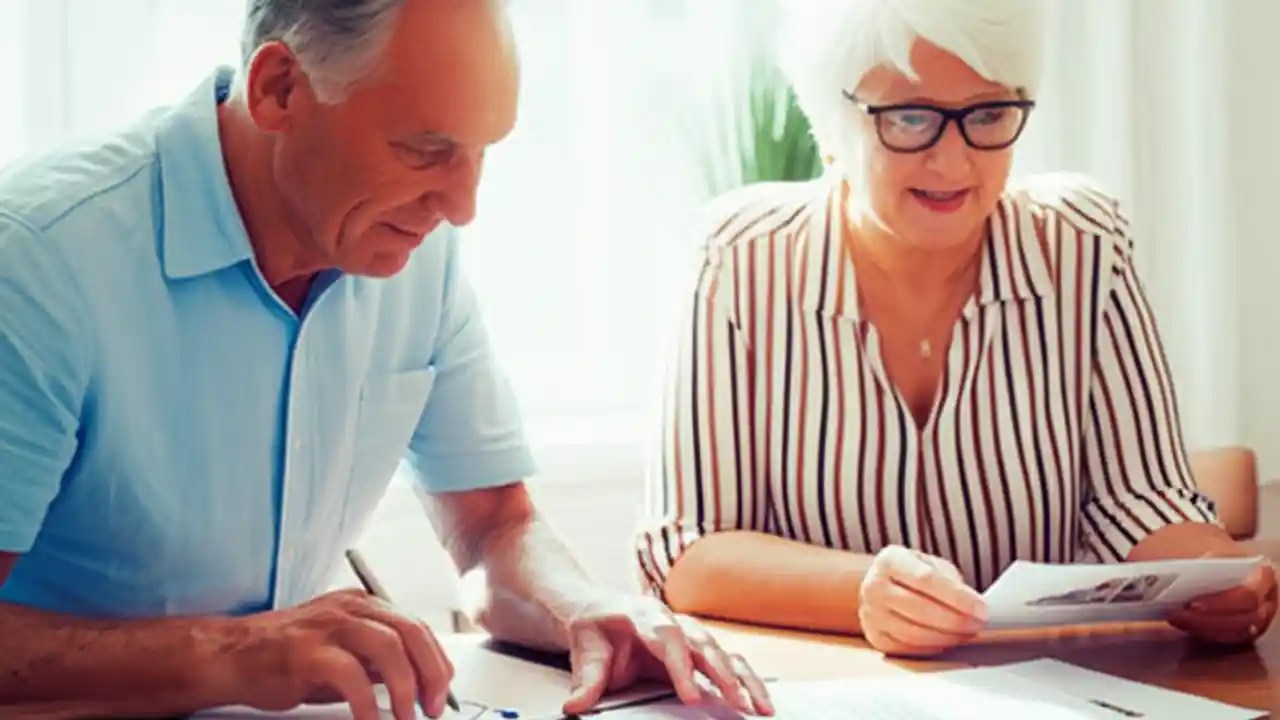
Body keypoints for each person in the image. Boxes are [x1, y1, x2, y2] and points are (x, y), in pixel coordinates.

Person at [0, 2, 774, 718]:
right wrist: (228, 654)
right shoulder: (39, 264)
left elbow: (493, 530)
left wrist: (580, 605)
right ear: (278, 90)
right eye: (426, 150)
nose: (463, 206)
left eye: (479, 153)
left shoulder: (410, 252)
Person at [636, 0, 1277, 658]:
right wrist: (863, 591)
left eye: (988, 114)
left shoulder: (1083, 243)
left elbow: (1141, 500)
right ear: (831, 124)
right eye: (910, 118)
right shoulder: (741, 257)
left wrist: (1217, 579)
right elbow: (690, 549)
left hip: (1042, 689)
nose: (953, 161)